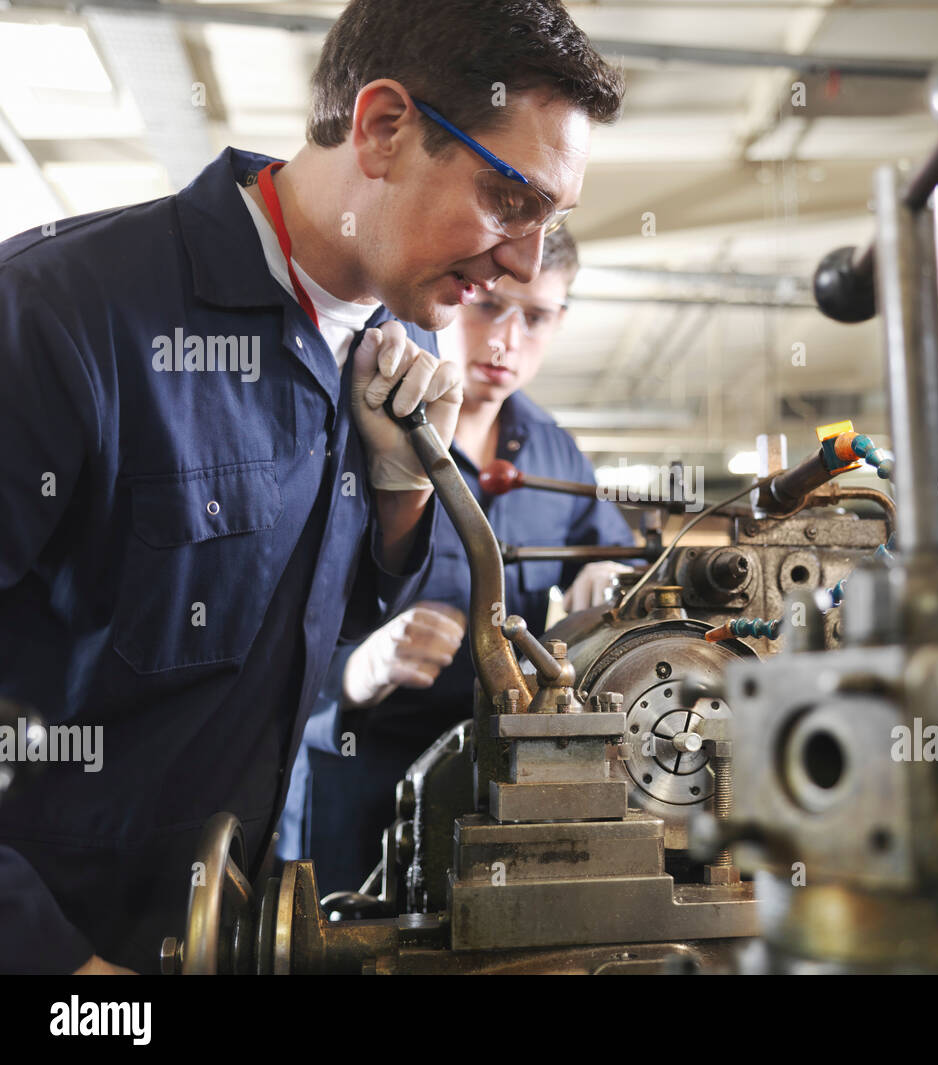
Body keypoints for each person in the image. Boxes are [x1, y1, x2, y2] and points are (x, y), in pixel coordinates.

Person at [0, 0, 622, 974]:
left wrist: (399, 498)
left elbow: (304, 630)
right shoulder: (59, 316)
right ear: (382, 128)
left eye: (553, 221)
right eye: (510, 198)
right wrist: (49, 961)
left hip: (229, 918)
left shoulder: (401, 352)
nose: (524, 259)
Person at [279, 227, 635, 894]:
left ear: (560, 322)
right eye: (489, 307)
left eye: (535, 317)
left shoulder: (556, 454)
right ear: (455, 295)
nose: (506, 340)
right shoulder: (358, 422)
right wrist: (354, 670)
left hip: (491, 783)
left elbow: (616, 564)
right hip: (358, 770)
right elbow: (272, 603)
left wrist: (611, 587)